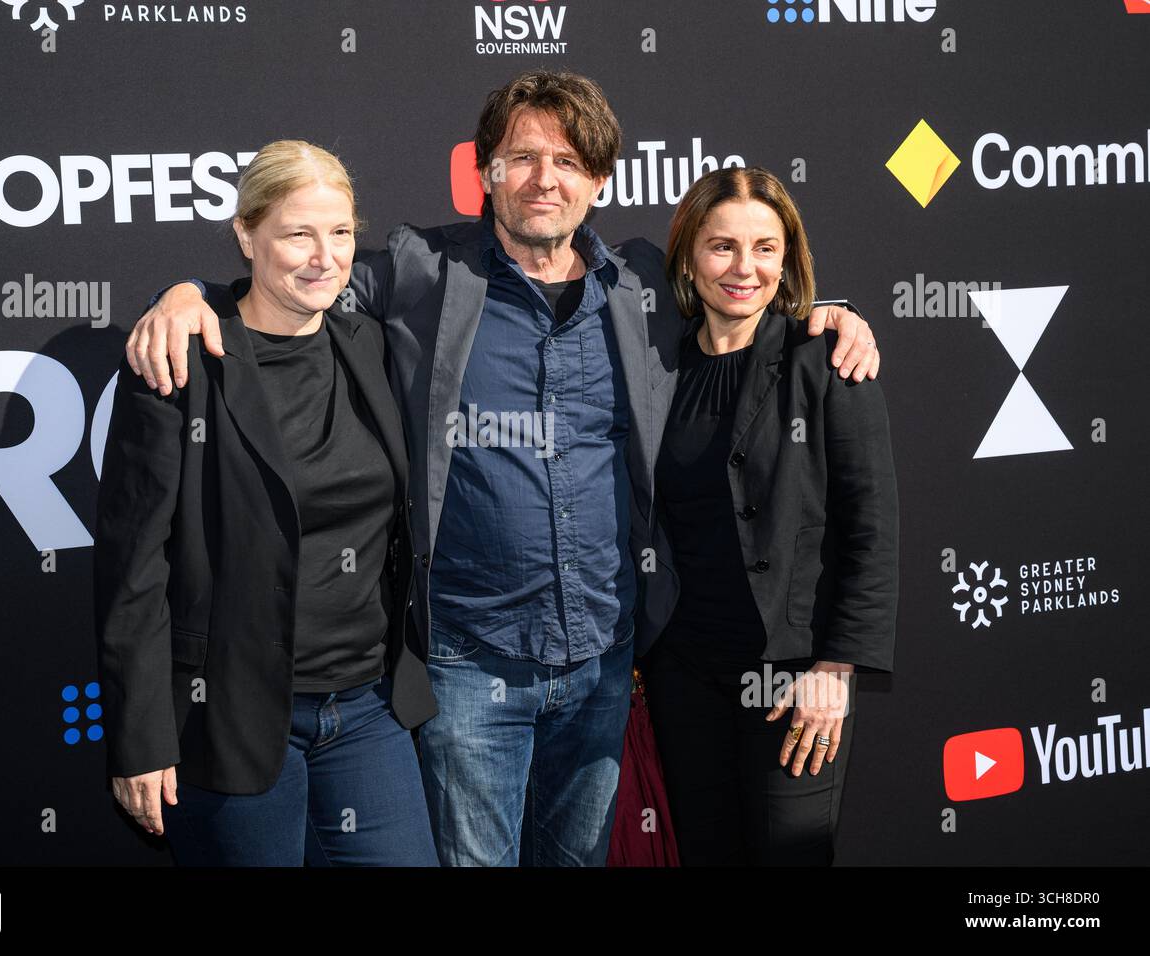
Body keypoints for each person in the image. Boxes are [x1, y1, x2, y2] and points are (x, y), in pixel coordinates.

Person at [124, 71, 882, 866]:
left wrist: (830, 317)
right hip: (465, 667)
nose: (543, 179)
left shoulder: (642, 285)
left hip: (600, 664)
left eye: (566, 161)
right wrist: (190, 293)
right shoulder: (424, 270)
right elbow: (299, 282)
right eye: (522, 157)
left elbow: (747, 298)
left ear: (598, 179)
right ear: (484, 171)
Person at [93, 140, 439, 866]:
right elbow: (134, 569)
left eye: (341, 232)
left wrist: (186, 286)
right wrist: (141, 739)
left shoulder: (368, 342)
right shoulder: (180, 362)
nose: (325, 256)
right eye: (297, 233)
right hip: (234, 716)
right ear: (247, 234)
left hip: (371, 708)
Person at [639, 165, 899, 866]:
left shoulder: (825, 359)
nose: (743, 268)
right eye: (722, 246)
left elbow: (871, 529)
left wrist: (835, 668)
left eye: (765, 248)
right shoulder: (657, 368)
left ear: (788, 260)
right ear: (689, 255)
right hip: (683, 675)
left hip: (793, 681)